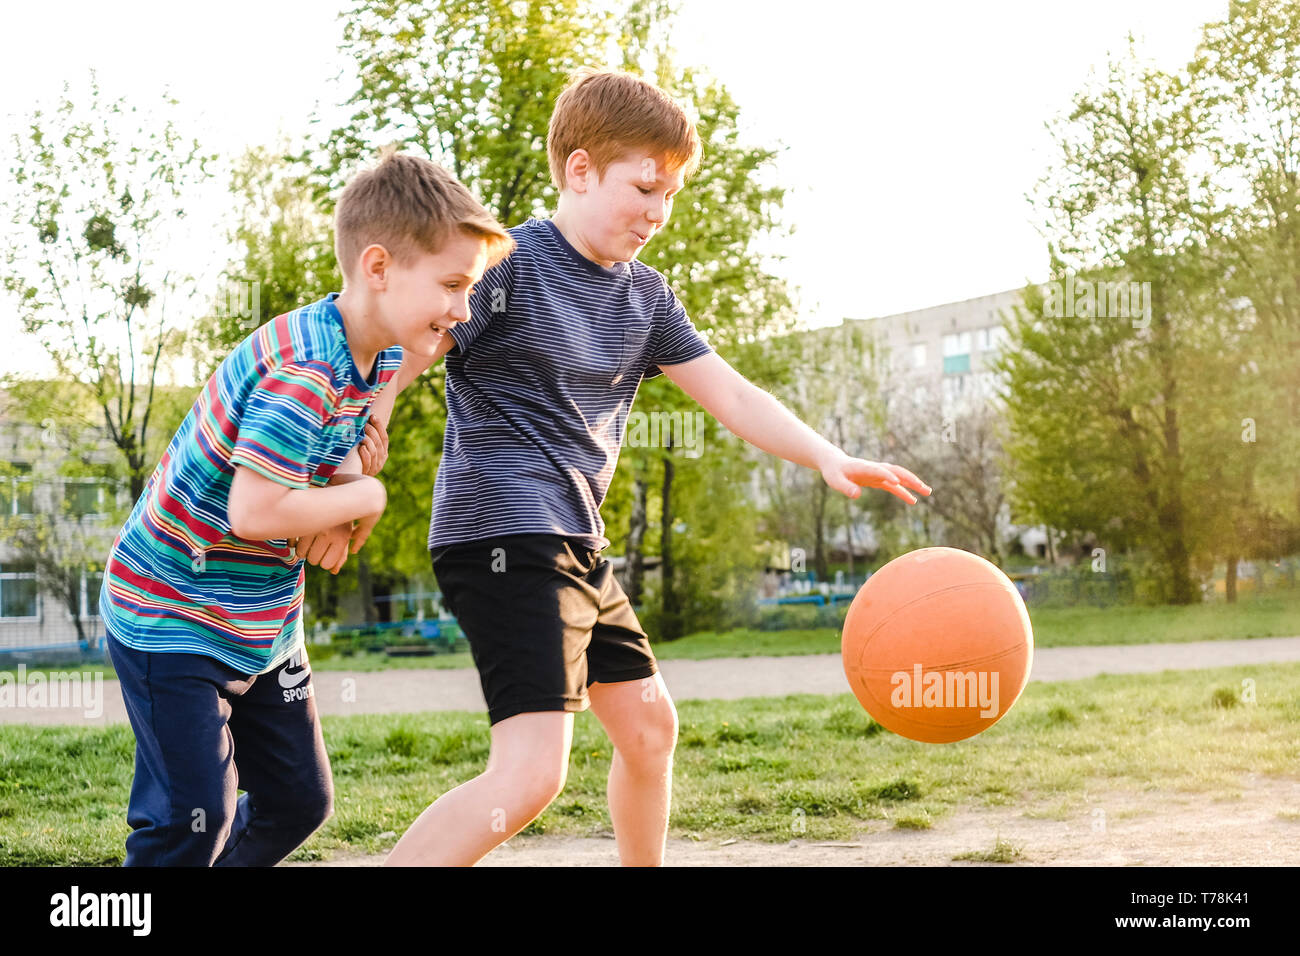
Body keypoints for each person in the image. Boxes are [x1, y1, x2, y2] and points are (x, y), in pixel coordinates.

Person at [370, 69, 930, 867]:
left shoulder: (647, 299)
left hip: (574, 543)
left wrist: (827, 455)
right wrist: (374, 413)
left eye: (671, 196)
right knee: (530, 775)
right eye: (644, 187)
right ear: (580, 170)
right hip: (505, 534)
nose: (658, 214)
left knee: (649, 728)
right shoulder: (507, 264)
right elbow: (412, 340)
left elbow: (731, 394)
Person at [99, 151, 513, 865]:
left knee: (298, 800)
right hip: (172, 615)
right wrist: (365, 496)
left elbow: (374, 400)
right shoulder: (307, 367)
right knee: (192, 818)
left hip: (261, 620)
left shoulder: (375, 350)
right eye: (451, 284)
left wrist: (353, 464)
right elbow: (254, 513)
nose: (462, 309)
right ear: (378, 268)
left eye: (469, 288)